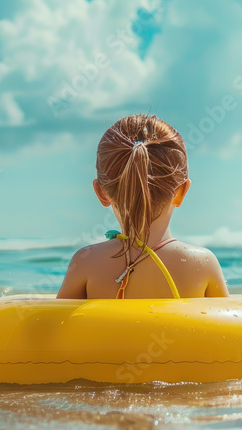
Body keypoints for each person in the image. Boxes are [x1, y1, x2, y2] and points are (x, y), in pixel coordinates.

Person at [57, 114, 230, 299]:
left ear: (101, 192)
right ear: (181, 192)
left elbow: (56, 325)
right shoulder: (202, 264)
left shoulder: (86, 263)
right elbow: (229, 326)